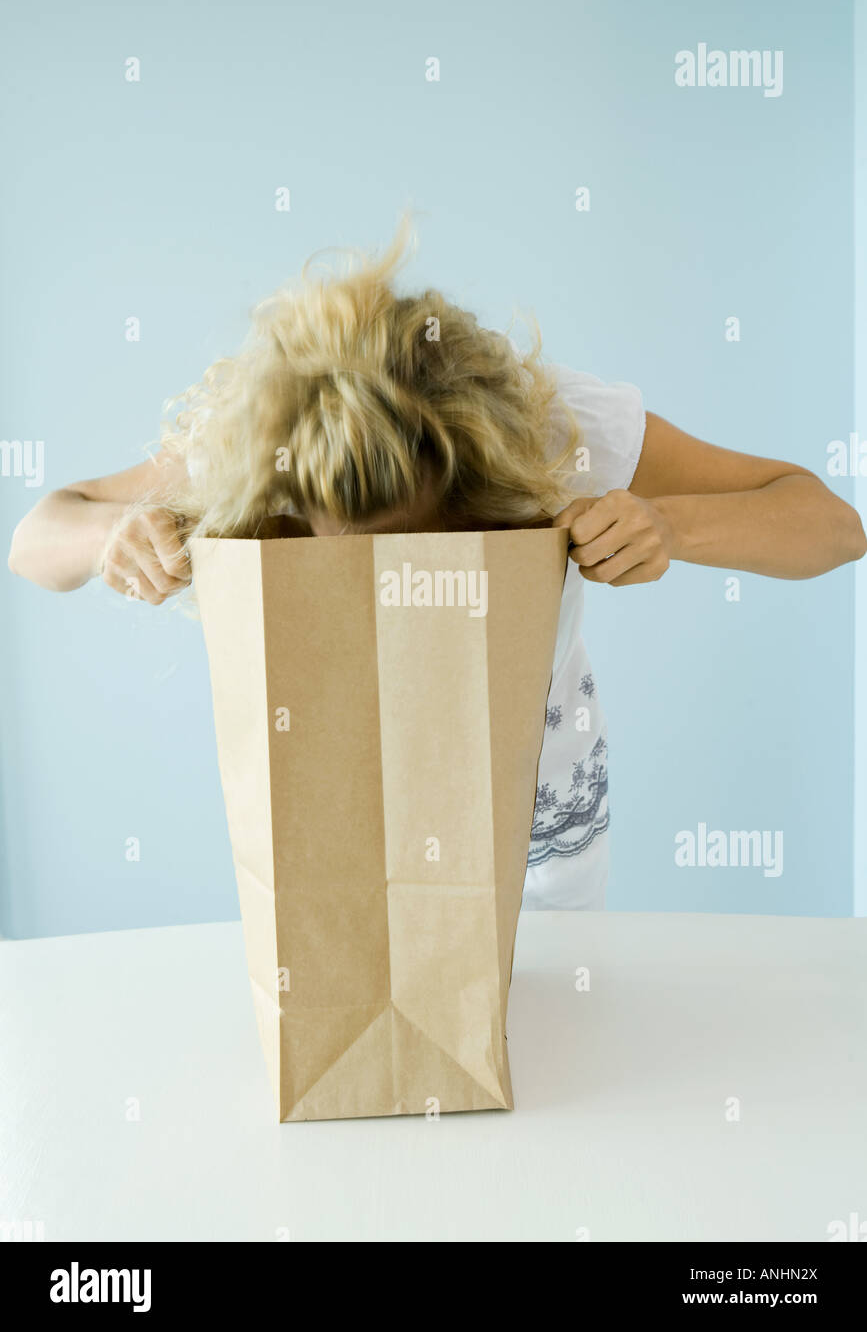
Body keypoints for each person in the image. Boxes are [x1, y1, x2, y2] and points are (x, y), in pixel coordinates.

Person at [8, 224, 866, 909]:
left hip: (535, 827)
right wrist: (110, 536)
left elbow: (830, 525)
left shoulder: (564, 428)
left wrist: (667, 528)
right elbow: (35, 539)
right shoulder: (257, 447)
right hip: (332, 819)